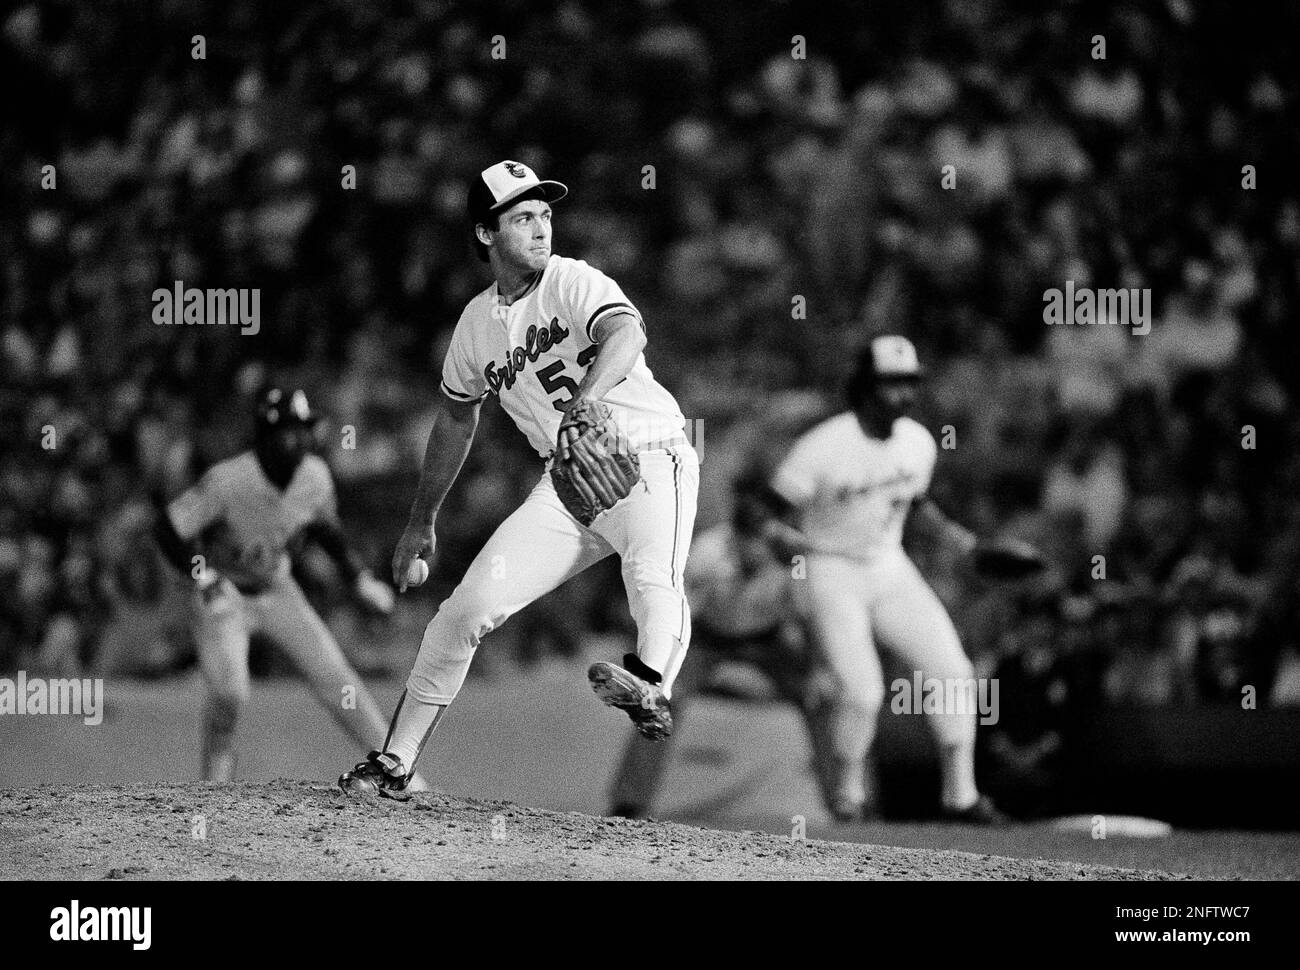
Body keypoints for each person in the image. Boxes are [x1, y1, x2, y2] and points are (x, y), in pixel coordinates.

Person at [339, 160, 699, 796]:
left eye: (545, 215)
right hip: (569, 486)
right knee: (465, 610)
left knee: (650, 573)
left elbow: (627, 333)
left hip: (648, 453)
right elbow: (455, 419)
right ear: (485, 234)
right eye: (523, 217)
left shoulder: (571, 280)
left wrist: (586, 400)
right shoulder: (476, 325)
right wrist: (422, 518)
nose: (541, 228)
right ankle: (394, 764)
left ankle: (650, 682)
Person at [761, 335, 1006, 823]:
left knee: (953, 673)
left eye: (909, 383)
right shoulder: (823, 444)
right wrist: (779, 540)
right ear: (865, 387)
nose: (903, 394)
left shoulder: (918, 442)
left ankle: (962, 796)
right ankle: (849, 795)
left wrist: (961, 542)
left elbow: (915, 504)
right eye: (891, 383)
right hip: (831, 568)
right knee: (863, 691)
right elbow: (767, 514)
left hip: (887, 565)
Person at [153, 387, 403, 781]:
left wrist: (359, 579)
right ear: (264, 435)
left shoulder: (315, 476)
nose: (295, 440)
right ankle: (214, 790)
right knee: (229, 694)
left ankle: (400, 772)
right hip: (225, 595)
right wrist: (202, 574)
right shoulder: (228, 480)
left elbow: (326, 530)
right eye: (286, 431)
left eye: (300, 429)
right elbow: (169, 526)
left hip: (277, 588)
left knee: (339, 681)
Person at [606, 474, 846, 819]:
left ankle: (843, 802)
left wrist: (818, 669)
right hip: (708, 641)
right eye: (748, 540)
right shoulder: (709, 554)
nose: (755, 550)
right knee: (655, 701)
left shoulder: (791, 561)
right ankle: (629, 802)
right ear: (737, 536)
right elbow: (672, 617)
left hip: (768, 643)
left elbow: (810, 621)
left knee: (822, 698)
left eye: (762, 540)